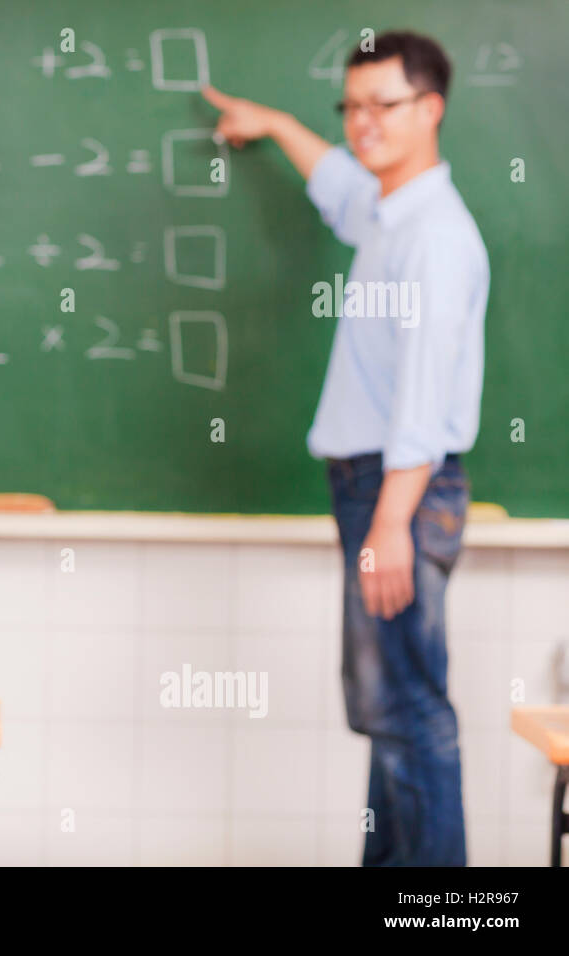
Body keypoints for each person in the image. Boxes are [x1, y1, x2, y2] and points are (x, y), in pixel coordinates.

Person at [203, 31, 488, 865]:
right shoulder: (389, 210)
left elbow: (424, 401)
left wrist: (393, 522)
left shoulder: (433, 236)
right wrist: (280, 124)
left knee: (409, 709)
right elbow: (338, 187)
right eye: (352, 106)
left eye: (383, 106)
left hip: (401, 491)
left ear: (430, 109)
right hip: (380, 489)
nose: (363, 124)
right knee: (387, 708)